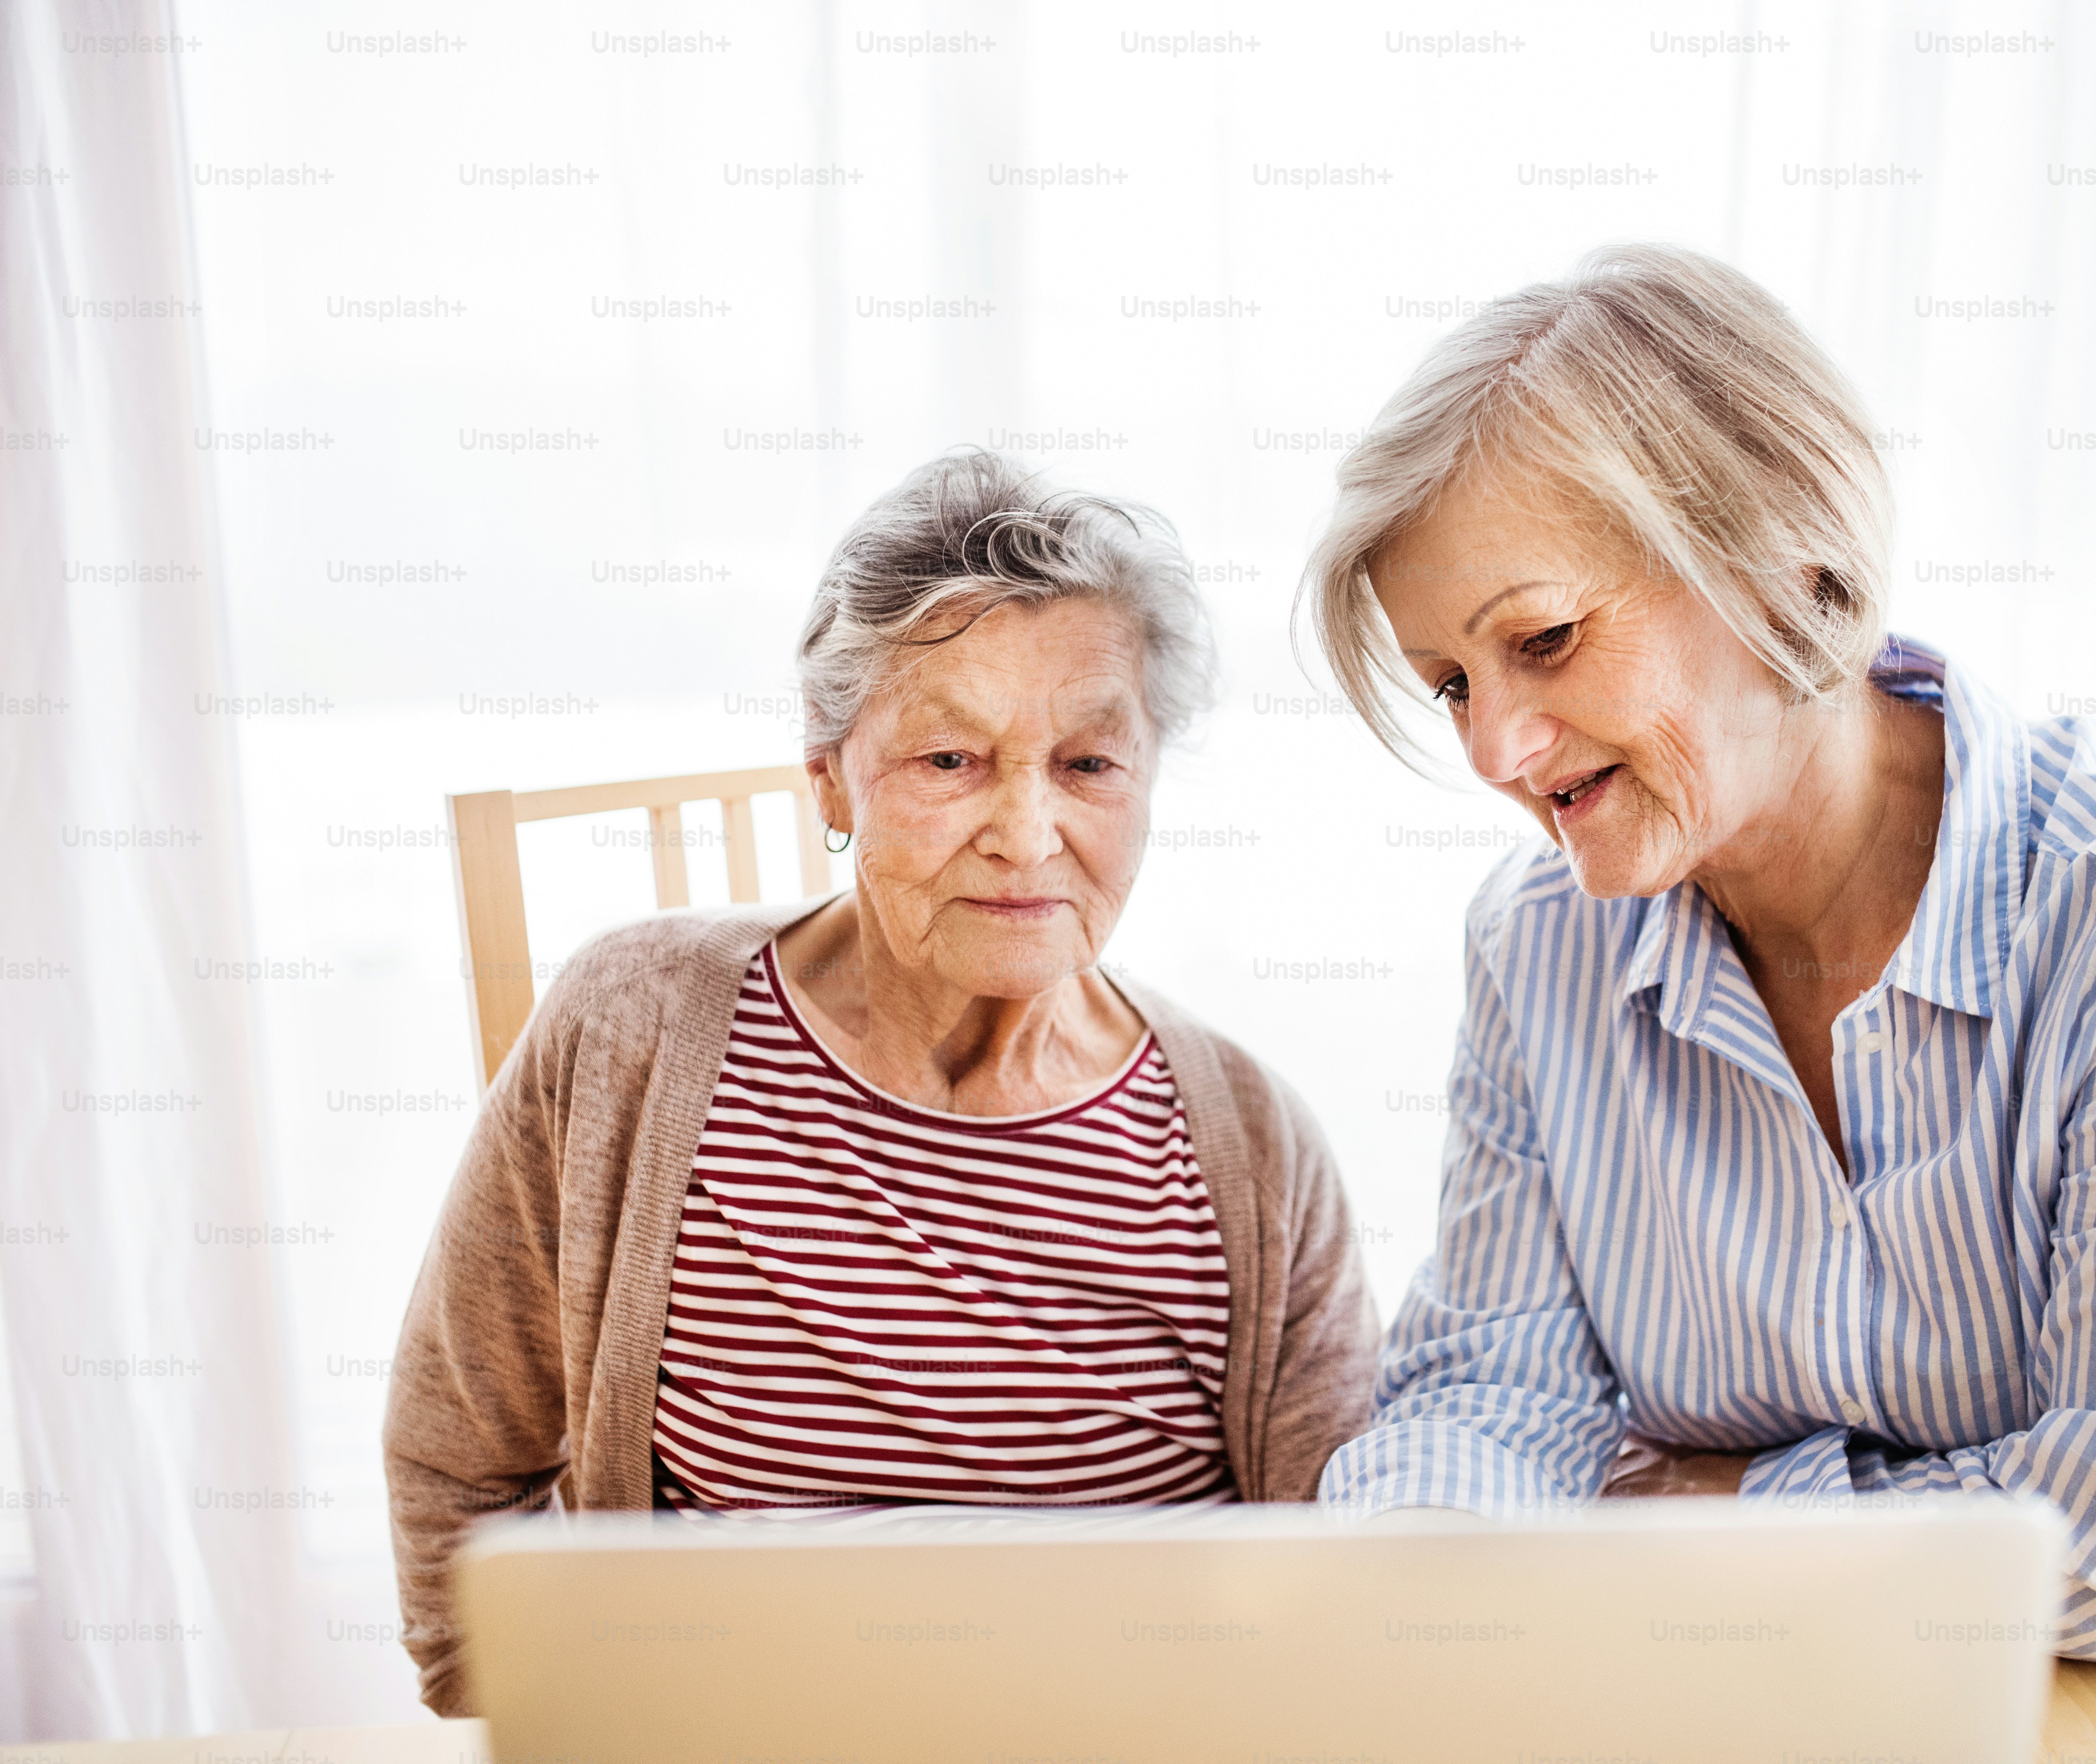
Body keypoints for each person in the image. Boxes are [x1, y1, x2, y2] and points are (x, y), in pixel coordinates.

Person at [1302, 244, 2096, 1665]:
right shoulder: (1534, 944)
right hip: (1769, 1699)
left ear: (1784, 546)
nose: (1494, 750)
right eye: (1452, 685)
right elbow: (1487, 1401)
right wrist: (1418, 1583)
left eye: (1545, 640)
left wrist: (1720, 1510)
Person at [385, 451, 1378, 1714]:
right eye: (948, 761)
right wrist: (548, 1721)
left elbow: (1343, 1596)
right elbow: (458, 1456)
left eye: (1088, 765)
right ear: (828, 779)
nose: (1027, 834)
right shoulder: (632, 1029)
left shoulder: (1251, 1145)